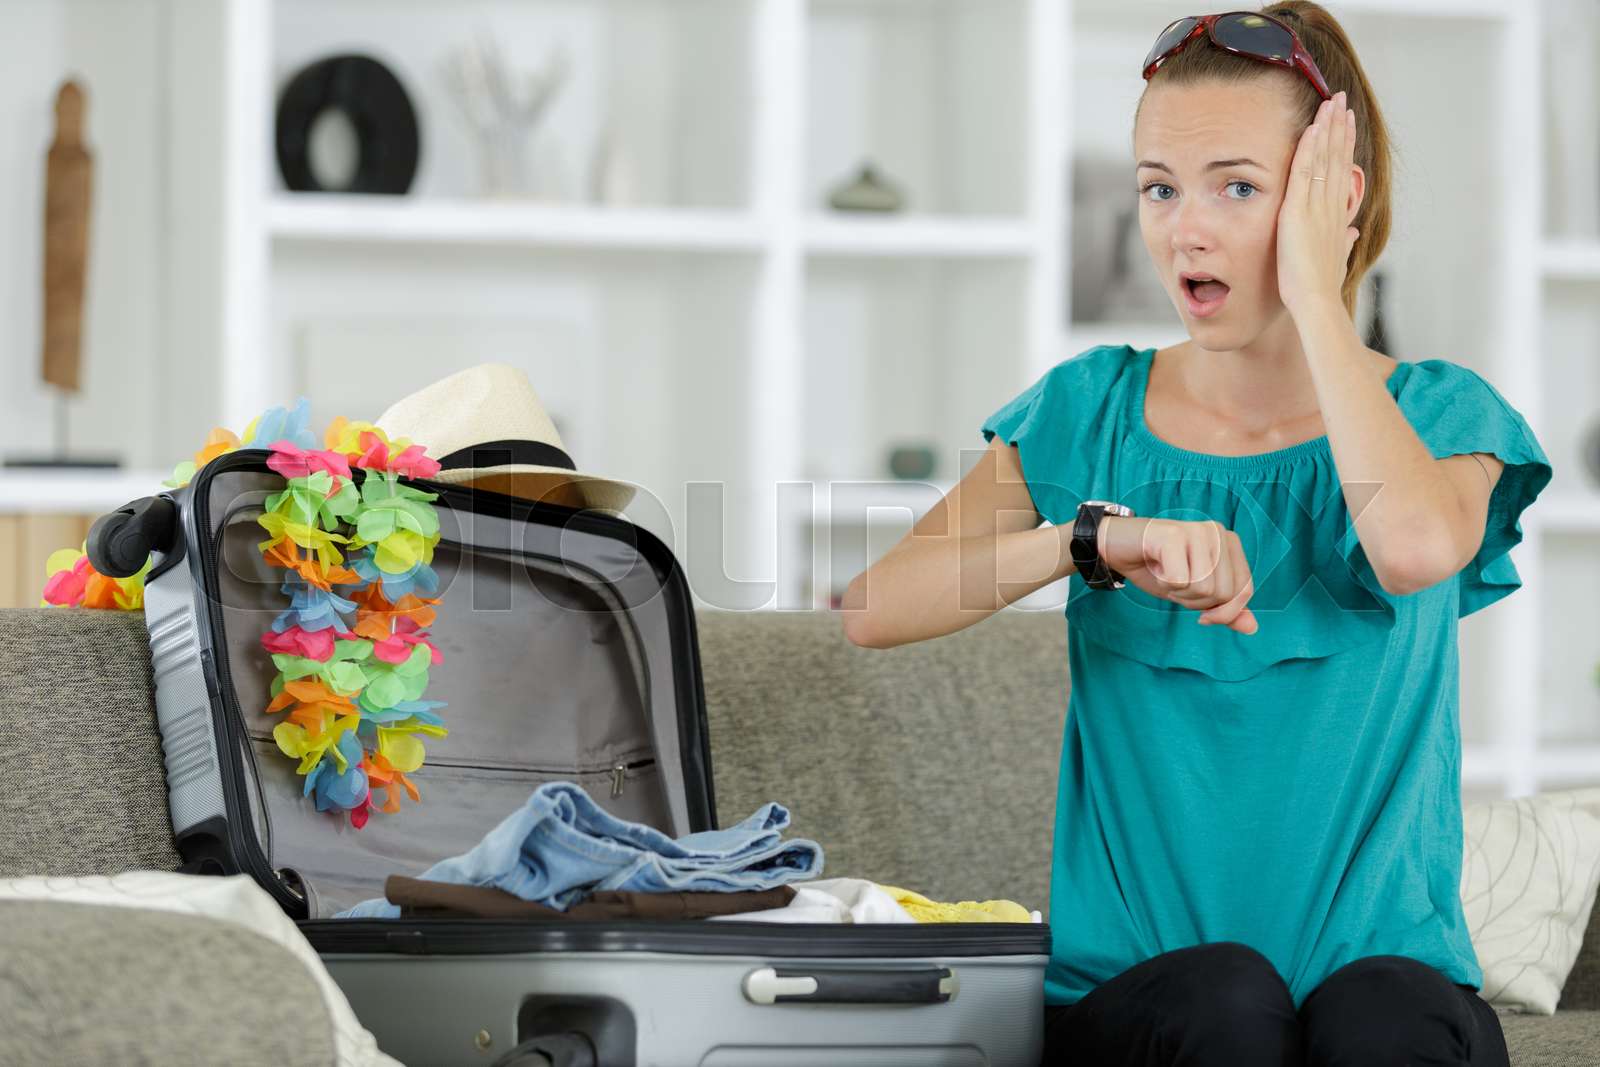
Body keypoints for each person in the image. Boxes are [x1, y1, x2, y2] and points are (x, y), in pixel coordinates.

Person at [838, 4, 1552, 1065]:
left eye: (1238, 187)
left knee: (1383, 1014)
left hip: (1387, 983)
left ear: (1334, 201)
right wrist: (1089, 542)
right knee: (1227, 998)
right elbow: (871, 609)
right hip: (1149, 1000)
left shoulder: (1442, 416)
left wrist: (1317, 299)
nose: (1186, 230)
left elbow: (1409, 548)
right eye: (1159, 188)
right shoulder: (1091, 408)